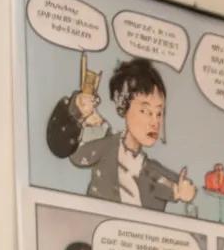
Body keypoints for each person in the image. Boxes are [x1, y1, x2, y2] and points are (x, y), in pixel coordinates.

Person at [46, 57, 196, 210]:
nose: (154, 122)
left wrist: (184, 191)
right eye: (145, 111)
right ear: (124, 107)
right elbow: (75, 154)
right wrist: (78, 108)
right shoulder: (106, 143)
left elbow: (177, 185)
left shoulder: (151, 169)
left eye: (158, 113)